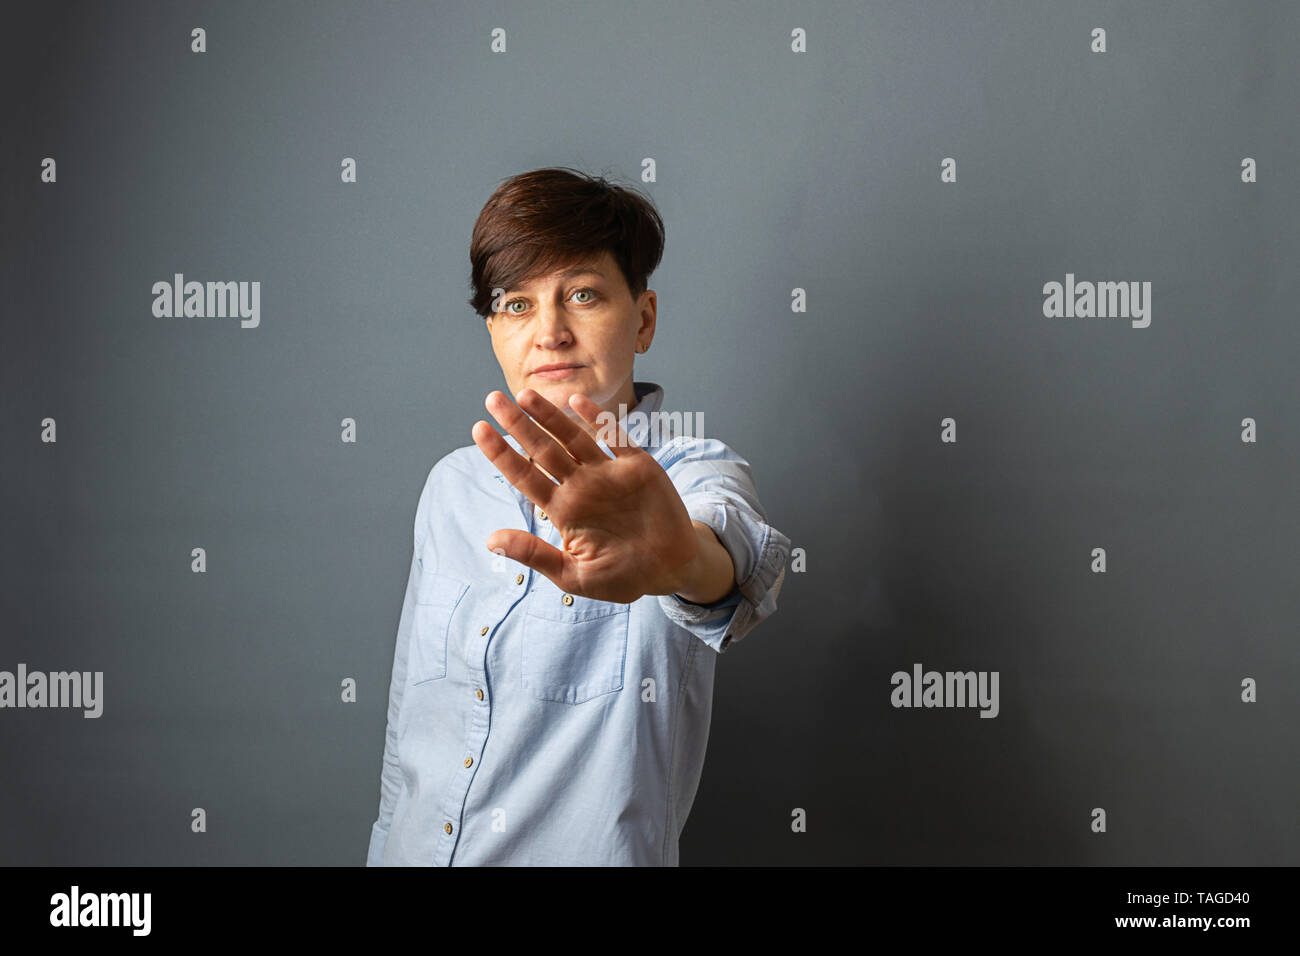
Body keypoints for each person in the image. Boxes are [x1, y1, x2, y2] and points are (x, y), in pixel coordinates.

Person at [365, 167, 791, 866]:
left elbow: (731, 564)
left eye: (583, 295)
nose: (549, 333)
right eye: (516, 305)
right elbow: (410, 720)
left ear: (644, 318)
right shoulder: (451, 486)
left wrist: (679, 560)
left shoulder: (691, 477)